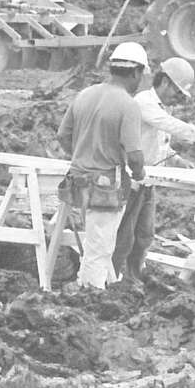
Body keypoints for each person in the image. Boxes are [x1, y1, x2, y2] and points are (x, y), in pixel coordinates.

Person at [113, 57, 195, 286]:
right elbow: (170, 125)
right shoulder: (144, 102)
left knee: (144, 234)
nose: (177, 98)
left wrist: (177, 160)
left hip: (148, 181)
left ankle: (134, 275)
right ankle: (115, 277)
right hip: (133, 179)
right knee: (125, 234)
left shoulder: (159, 107)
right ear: (165, 82)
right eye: (177, 92)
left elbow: (160, 143)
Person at [56, 42, 148, 289]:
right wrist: (139, 174)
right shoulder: (128, 104)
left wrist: (81, 155)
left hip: (78, 182)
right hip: (104, 187)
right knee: (99, 249)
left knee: (98, 243)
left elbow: (63, 136)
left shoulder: (85, 94)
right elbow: (135, 156)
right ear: (136, 72)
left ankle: (108, 287)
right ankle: (90, 294)